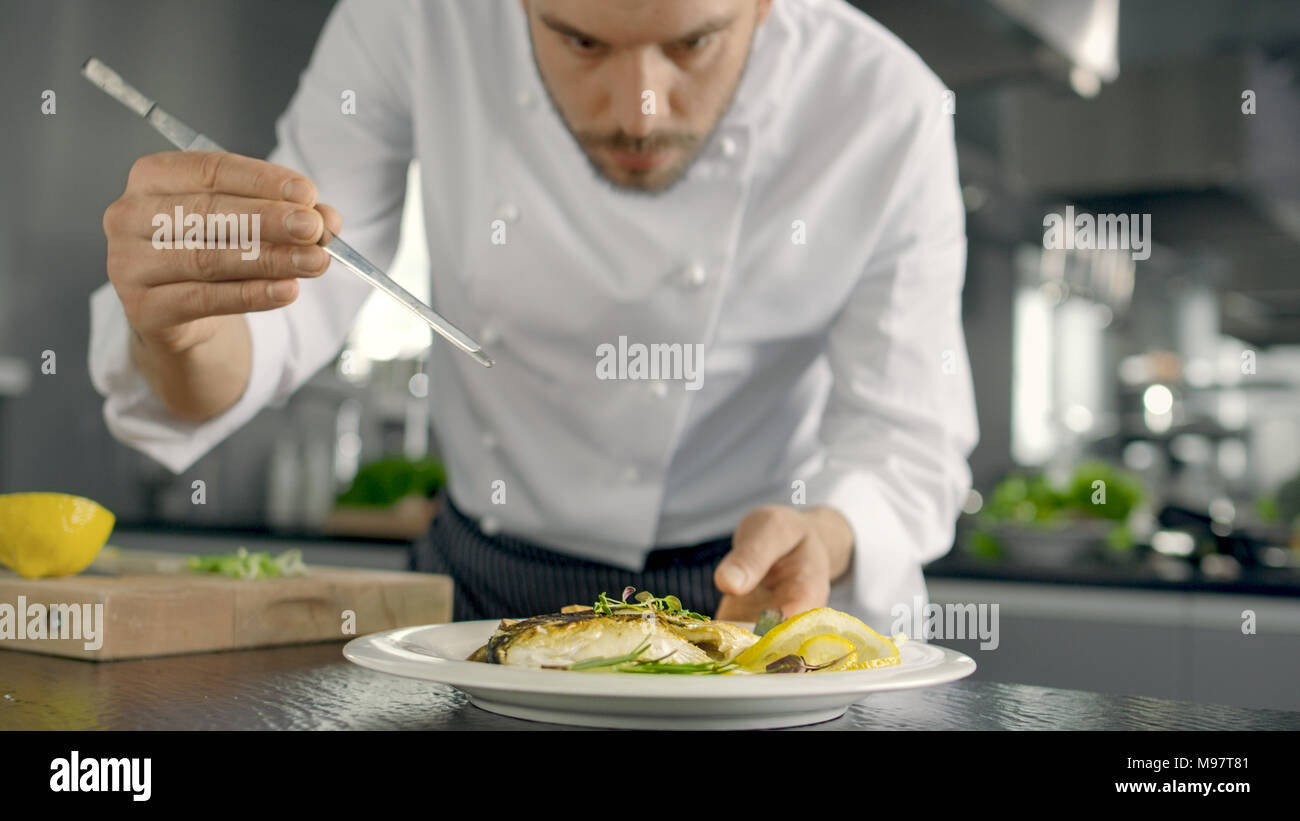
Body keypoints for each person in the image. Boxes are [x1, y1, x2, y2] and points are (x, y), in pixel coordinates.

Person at [90, 0, 978, 633]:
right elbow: (299, 297)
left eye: (695, 42)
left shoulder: (884, 104)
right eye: (580, 39)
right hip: (472, 597)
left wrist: (823, 531)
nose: (639, 109)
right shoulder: (414, 18)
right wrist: (181, 327)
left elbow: (906, 442)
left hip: (740, 606)